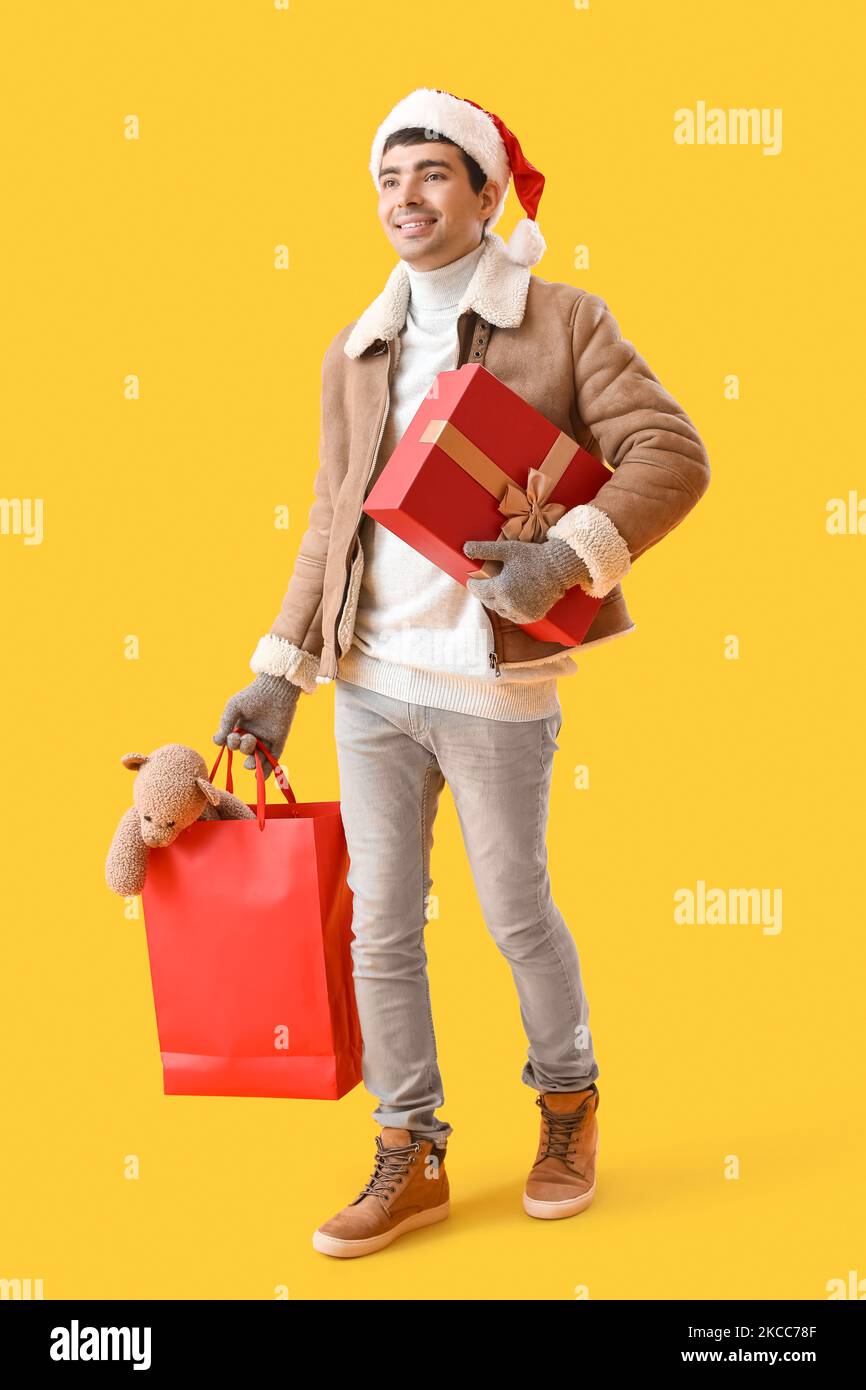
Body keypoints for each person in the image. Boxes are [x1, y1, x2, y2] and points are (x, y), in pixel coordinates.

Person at [214, 87, 711, 1260]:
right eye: (389, 180)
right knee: (377, 929)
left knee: (512, 911)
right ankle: (410, 1147)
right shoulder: (355, 344)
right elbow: (329, 518)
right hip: (373, 683)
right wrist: (280, 669)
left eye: (434, 174)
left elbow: (672, 454)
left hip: (492, 688)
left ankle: (565, 1102)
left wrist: (565, 556)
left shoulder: (565, 321)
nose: (407, 199)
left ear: (487, 194)